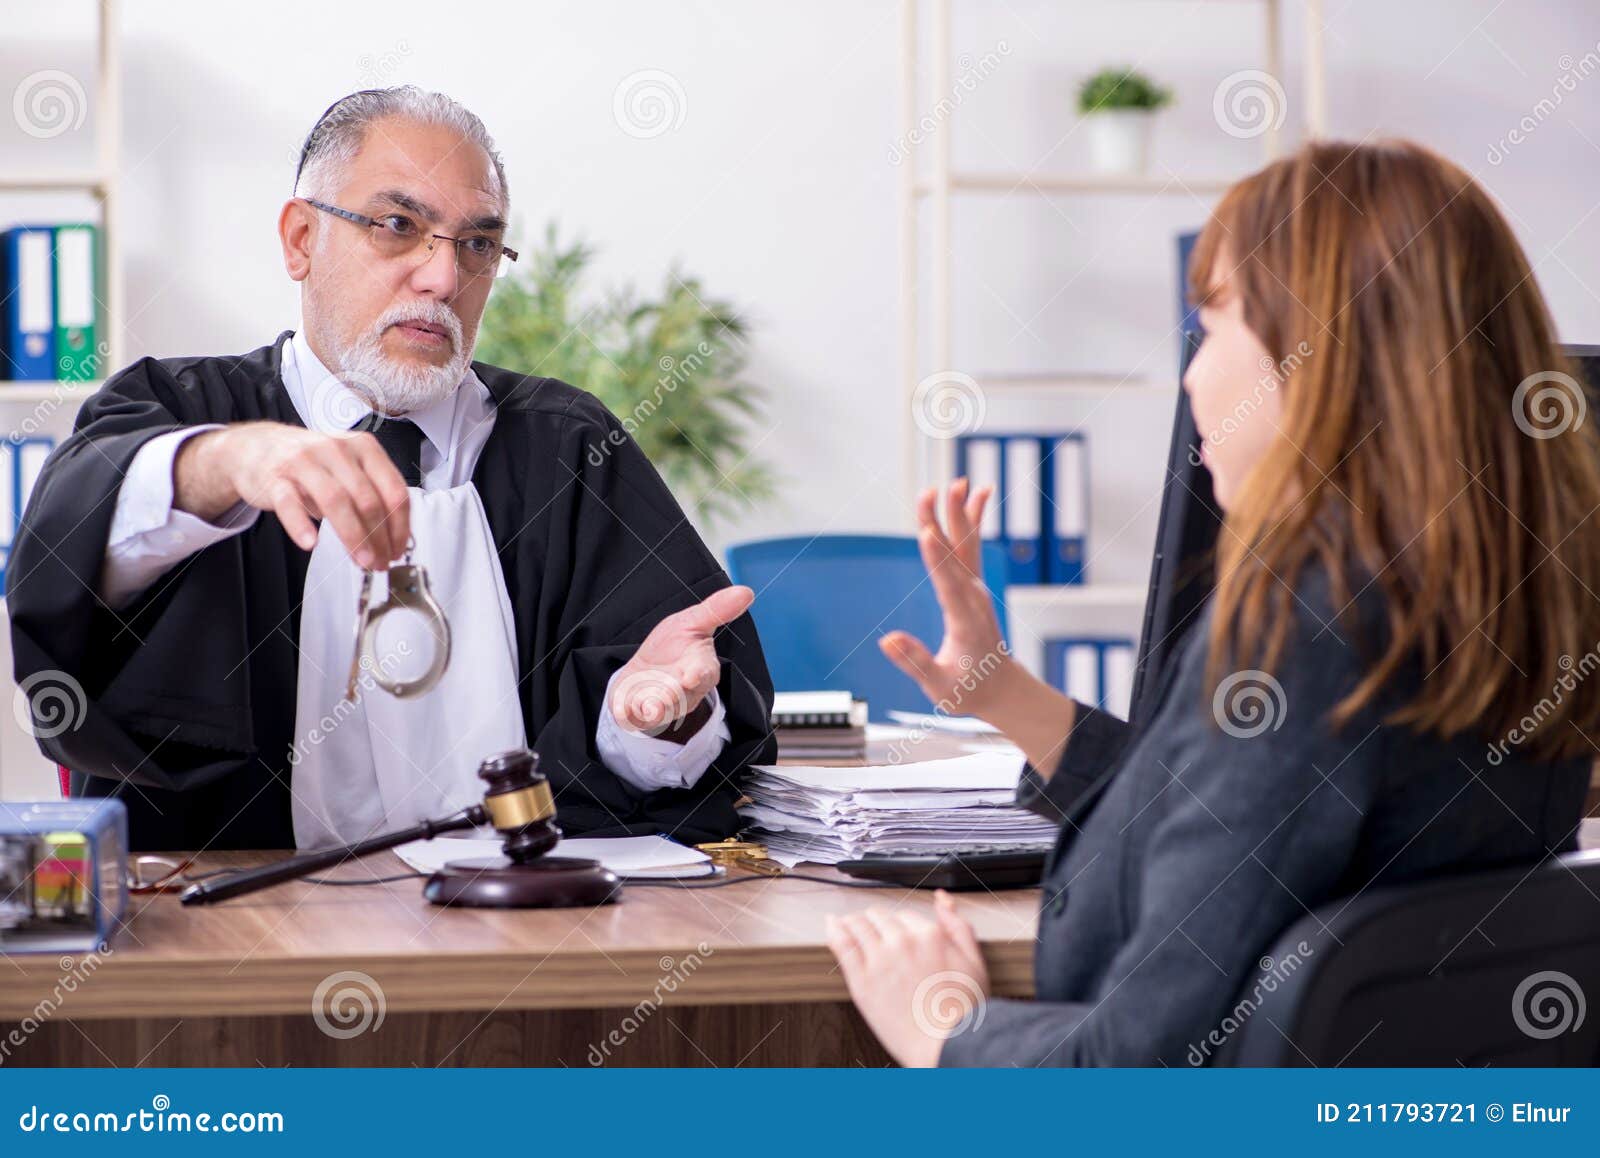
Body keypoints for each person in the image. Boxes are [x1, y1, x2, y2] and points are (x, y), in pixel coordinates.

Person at [826, 139, 1600, 1066]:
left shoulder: (1311, 623)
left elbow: (1133, 1071)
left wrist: (941, 1032)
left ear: (1324, 351)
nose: (1192, 376)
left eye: (1214, 323)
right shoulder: (1517, 603)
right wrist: (1010, 701)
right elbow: (1251, 826)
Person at [7, 87, 774, 852]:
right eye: (399, 226)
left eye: (477, 243)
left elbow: (677, 724)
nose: (442, 279)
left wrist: (648, 718)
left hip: (519, 932)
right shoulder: (180, 406)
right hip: (236, 930)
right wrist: (232, 458)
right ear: (301, 238)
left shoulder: (568, 447)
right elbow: (70, 549)